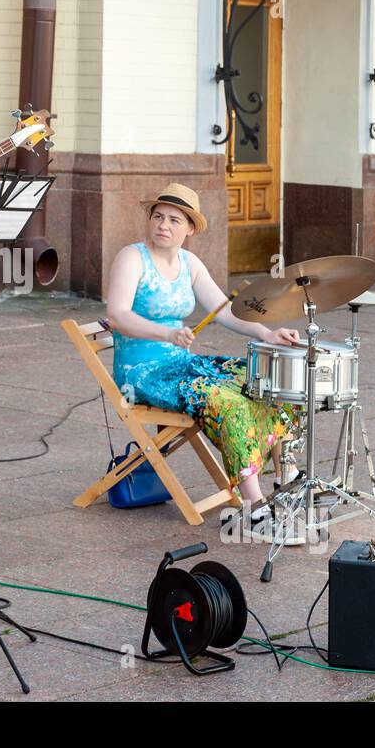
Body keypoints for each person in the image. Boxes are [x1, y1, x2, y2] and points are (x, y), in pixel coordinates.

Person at [105, 184, 299, 514]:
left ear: (190, 229)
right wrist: (166, 334)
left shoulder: (189, 263)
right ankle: (254, 507)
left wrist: (268, 333)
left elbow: (225, 310)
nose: (163, 225)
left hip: (180, 363)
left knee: (264, 378)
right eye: (158, 217)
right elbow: (117, 316)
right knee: (229, 404)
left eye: (174, 220)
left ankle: (286, 477)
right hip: (142, 373)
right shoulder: (132, 257)